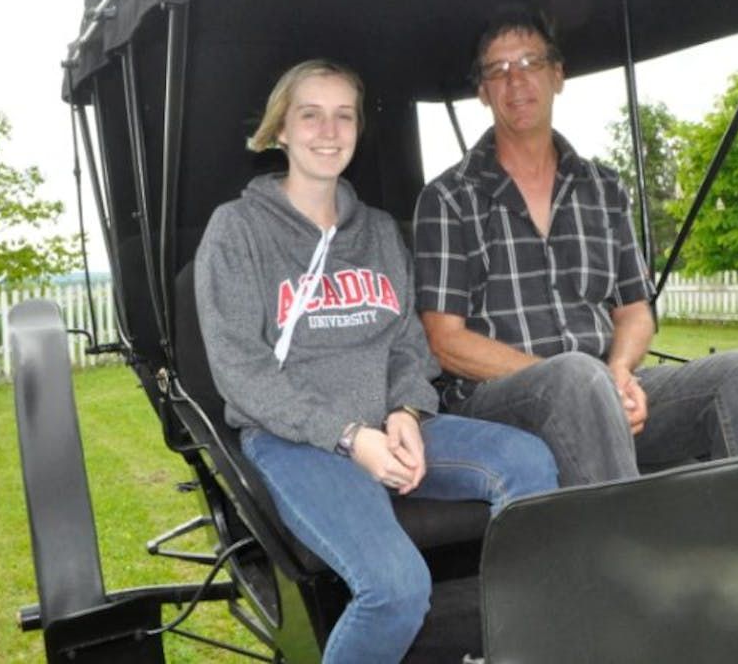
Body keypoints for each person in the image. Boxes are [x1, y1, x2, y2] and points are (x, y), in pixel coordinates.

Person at [194, 59, 557, 663]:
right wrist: (347, 436)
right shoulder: (237, 230)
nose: (328, 131)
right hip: (296, 438)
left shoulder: (381, 232)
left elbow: (407, 344)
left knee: (529, 463)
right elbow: (240, 370)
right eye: (310, 115)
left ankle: (513, 641)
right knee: (395, 591)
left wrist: (406, 411)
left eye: (344, 116)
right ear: (280, 129)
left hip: (389, 426)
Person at [414, 6, 738, 488]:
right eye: (498, 70)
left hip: (601, 386)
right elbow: (444, 341)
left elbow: (635, 311)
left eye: (530, 63)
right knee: (578, 379)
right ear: (483, 92)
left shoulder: (603, 188)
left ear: (558, 75)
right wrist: (579, 382)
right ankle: (625, 539)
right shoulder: (449, 197)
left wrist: (617, 372)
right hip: (497, 401)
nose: (516, 81)